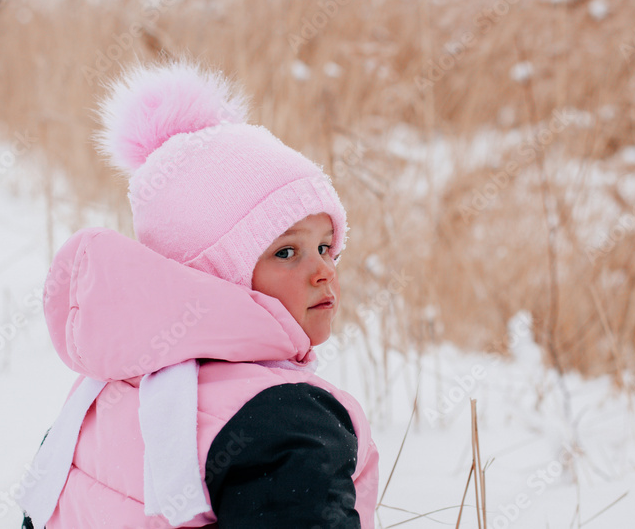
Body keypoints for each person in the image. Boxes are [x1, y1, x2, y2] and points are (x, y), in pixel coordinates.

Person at [19, 60, 379, 528]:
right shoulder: (285, 419)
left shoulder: (105, 391)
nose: (323, 272)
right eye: (287, 252)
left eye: (326, 247)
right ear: (211, 275)